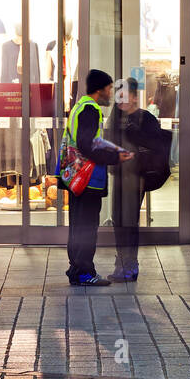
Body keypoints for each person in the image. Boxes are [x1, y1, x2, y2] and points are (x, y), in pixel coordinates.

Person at [64, 69, 132, 287]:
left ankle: (76, 271)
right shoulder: (91, 110)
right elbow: (87, 145)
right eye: (109, 88)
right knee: (86, 226)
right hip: (88, 179)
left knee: (77, 226)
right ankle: (85, 273)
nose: (111, 93)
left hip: (76, 177)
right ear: (100, 89)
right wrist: (114, 157)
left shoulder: (79, 106)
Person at [104, 77, 167, 283]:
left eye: (124, 95)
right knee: (117, 218)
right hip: (120, 175)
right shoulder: (116, 119)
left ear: (133, 97)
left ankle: (130, 265)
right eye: (117, 96)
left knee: (129, 220)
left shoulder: (145, 118)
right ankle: (121, 262)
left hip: (136, 176)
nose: (120, 100)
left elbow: (155, 147)